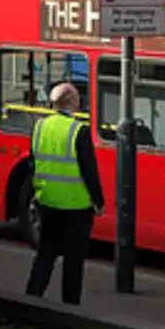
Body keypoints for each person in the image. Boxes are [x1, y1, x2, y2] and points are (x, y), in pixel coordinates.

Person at [24, 82, 105, 305]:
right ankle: (70, 305)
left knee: (46, 254)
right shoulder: (78, 130)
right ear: (70, 101)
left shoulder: (40, 126)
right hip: (76, 206)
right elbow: (89, 169)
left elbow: (34, 160)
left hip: (48, 201)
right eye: (77, 98)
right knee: (73, 260)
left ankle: (32, 296)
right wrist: (98, 200)